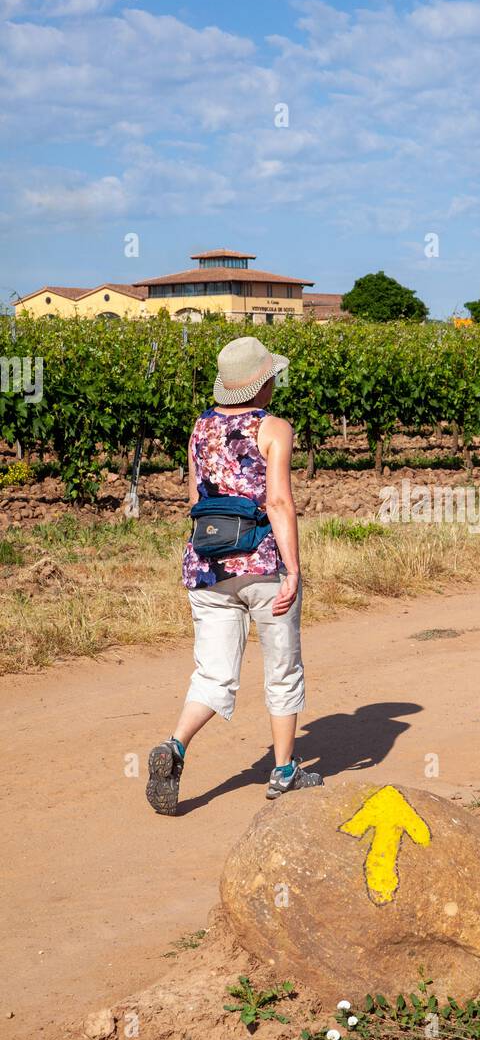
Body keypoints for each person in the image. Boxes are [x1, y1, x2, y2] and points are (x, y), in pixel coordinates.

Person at [146, 335, 323, 816]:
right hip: (262, 563)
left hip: (207, 564)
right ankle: (284, 772)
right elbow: (279, 502)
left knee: (214, 673)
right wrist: (292, 569)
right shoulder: (275, 428)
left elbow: (194, 500)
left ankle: (176, 746)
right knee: (282, 667)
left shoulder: (200, 427)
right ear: (262, 382)